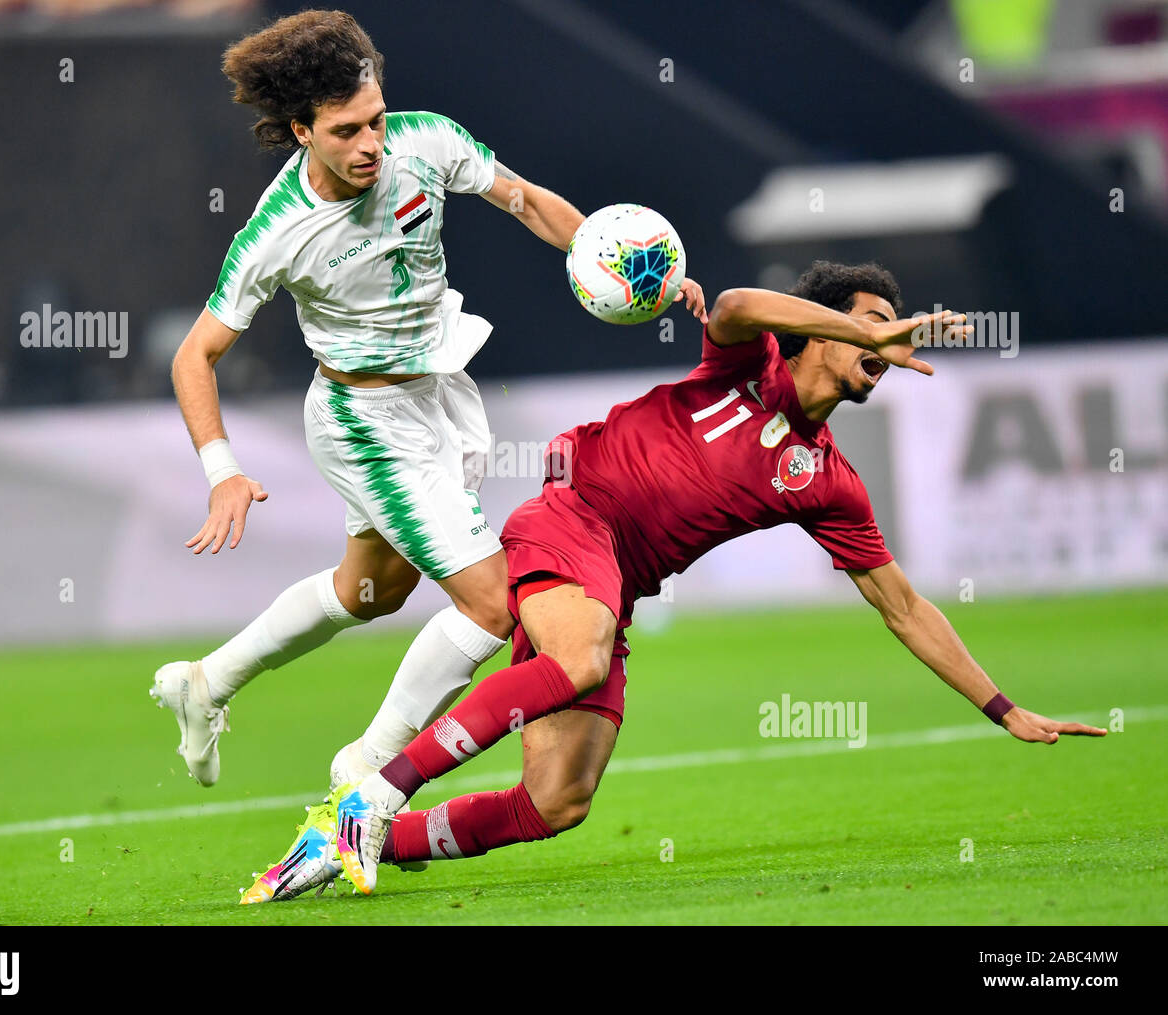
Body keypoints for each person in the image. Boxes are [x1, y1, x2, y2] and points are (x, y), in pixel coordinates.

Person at [238, 261, 1107, 902]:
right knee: (579, 659)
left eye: (898, 326)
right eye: (875, 320)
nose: (895, 335)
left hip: (610, 585)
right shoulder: (748, 364)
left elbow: (905, 607)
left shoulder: (830, 482)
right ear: (822, 329)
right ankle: (375, 794)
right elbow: (732, 305)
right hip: (573, 515)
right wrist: (864, 326)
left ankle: (353, 840)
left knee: (558, 800)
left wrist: (1003, 707)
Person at [148, 6, 709, 812]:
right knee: (493, 600)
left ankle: (207, 681)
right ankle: (366, 767)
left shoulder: (427, 141)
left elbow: (524, 200)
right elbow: (193, 355)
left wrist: (624, 264)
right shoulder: (277, 230)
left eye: (375, 119)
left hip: (437, 395)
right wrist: (222, 471)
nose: (370, 144)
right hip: (363, 421)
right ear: (302, 131)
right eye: (345, 131)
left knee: (369, 591)